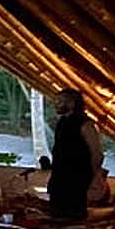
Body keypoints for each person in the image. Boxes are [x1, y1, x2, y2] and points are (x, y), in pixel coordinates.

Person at [44, 89, 104, 219]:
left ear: (71, 103)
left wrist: (95, 177)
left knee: (74, 215)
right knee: (56, 213)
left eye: (60, 102)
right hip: (60, 176)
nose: (56, 104)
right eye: (56, 101)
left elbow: (96, 153)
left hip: (77, 178)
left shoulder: (85, 124)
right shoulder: (62, 123)